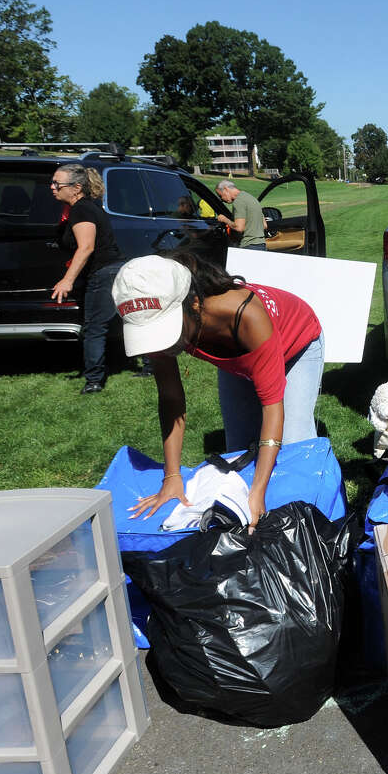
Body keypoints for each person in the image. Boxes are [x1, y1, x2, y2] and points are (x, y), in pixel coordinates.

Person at [113, 246, 325, 529]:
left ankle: (312, 528)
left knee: (295, 448)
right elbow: (171, 397)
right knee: (237, 456)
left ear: (195, 304)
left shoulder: (245, 316)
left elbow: (272, 406)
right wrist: (171, 477)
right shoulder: (155, 311)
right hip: (238, 357)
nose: (162, 346)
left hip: (296, 343)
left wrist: (258, 492)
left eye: (167, 330)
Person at [50, 163, 124, 394]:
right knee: (122, 320)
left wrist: (67, 280)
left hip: (103, 272)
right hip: (110, 269)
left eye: (57, 184)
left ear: (76, 188)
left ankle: (93, 380)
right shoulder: (86, 207)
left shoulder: (82, 210)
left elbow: (86, 247)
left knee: (94, 327)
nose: (52, 187)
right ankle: (150, 364)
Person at [214, 180, 266, 250]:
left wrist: (224, 219)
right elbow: (265, 225)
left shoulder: (238, 201)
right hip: (261, 245)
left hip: (248, 246)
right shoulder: (252, 199)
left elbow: (239, 228)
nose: (221, 199)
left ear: (226, 189)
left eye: (220, 195)